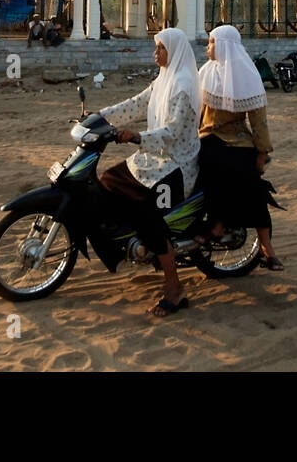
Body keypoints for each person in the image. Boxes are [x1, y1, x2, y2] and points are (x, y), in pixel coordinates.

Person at [94, 27, 200, 316]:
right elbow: (137, 104)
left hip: (176, 164)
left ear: (174, 51)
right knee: (109, 178)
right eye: (156, 48)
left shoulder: (184, 85)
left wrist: (137, 137)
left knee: (145, 210)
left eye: (160, 48)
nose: (156, 53)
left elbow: (174, 132)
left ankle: (174, 286)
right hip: (153, 158)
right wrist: (100, 117)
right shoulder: (164, 79)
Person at [196, 25, 282, 270]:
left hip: (239, 140)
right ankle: (215, 222)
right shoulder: (205, 73)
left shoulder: (247, 74)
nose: (207, 47)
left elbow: (258, 119)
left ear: (223, 46)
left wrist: (262, 151)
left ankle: (266, 247)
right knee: (207, 165)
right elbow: (196, 113)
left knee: (253, 186)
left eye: (211, 42)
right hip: (208, 136)